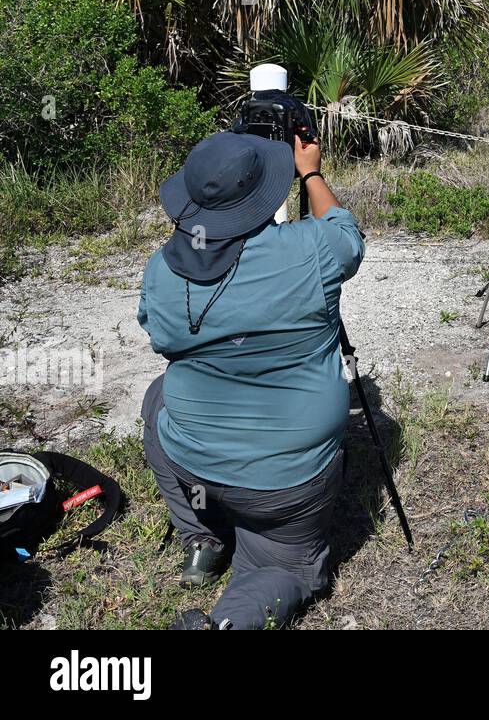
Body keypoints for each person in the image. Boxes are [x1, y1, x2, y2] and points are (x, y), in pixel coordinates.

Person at [137, 129, 365, 630]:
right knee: (278, 567)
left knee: (157, 399)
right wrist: (311, 172)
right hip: (289, 484)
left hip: (196, 463)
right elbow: (348, 234)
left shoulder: (161, 270)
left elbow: (160, 340)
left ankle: (203, 536)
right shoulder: (312, 250)